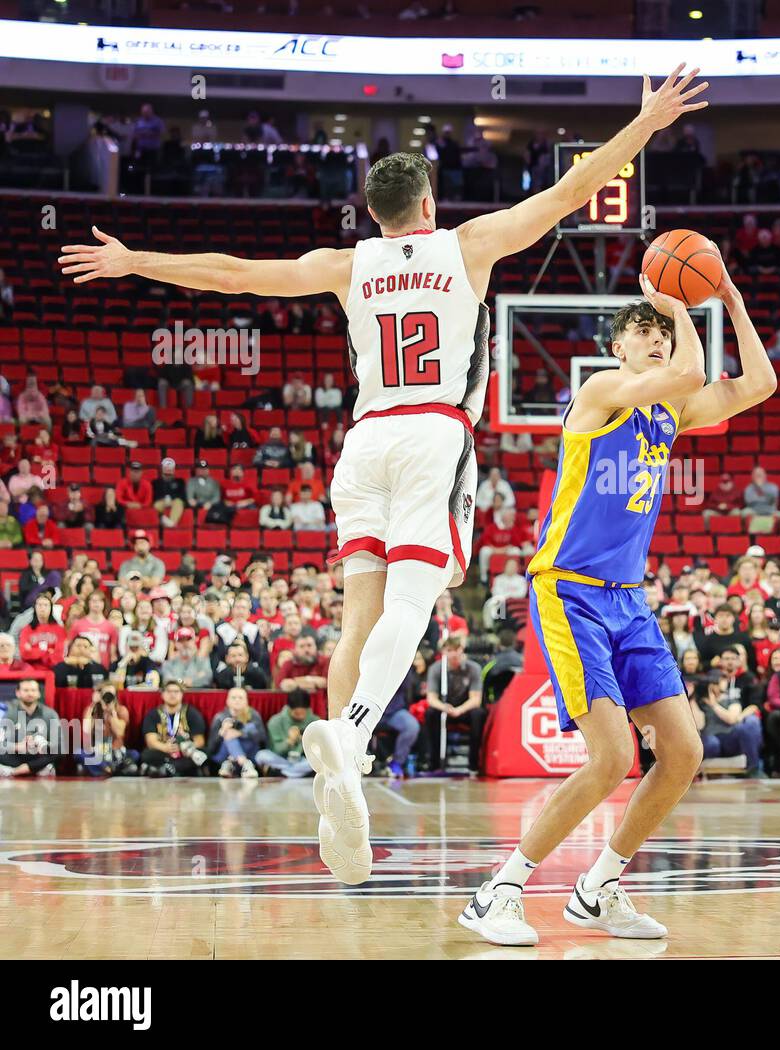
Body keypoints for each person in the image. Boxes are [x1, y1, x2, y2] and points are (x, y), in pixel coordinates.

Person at [62, 67, 710, 894]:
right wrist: (647, 121)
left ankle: (346, 776)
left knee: (358, 617)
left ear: (375, 214)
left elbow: (236, 274)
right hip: (433, 431)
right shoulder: (469, 245)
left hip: (362, 439)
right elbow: (574, 187)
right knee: (415, 598)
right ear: (431, 204)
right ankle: (358, 731)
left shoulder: (349, 262)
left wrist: (132, 259)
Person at [463, 203, 780, 944]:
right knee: (612, 757)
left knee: (685, 751)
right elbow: (694, 369)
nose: (651, 338)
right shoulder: (600, 393)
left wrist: (728, 299)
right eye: (640, 330)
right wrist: (675, 299)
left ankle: (599, 886)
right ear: (616, 346)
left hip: (630, 600)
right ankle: (498, 891)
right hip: (566, 589)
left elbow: (758, 382)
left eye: (659, 331)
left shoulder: (673, 411)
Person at [421, 635, 485, 773]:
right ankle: (435, 762)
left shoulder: (474, 668)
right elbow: (431, 698)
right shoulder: (436, 669)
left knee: (478, 714)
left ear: (462, 650)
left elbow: (476, 699)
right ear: (444, 651)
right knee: (431, 713)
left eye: (457, 649)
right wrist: (444, 707)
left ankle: (473, 764)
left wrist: (460, 710)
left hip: (465, 708)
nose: (454, 654)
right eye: (450, 650)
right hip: (444, 708)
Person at [139, 680, 208, 777]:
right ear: (162, 694)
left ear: (182, 694)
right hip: (163, 751)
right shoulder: (153, 714)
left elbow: (200, 741)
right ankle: (171, 768)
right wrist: (165, 748)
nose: (172, 695)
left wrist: (184, 747)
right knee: (146, 754)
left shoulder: (192, 713)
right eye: (169, 691)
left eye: (176, 692)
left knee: (203, 754)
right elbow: (151, 741)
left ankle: (166, 769)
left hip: (184, 753)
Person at [256, 689, 321, 777]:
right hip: (281, 759)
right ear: (289, 709)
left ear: (308, 709)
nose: (300, 716)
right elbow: (276, 750)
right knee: (261, 755)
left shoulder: (315, 722)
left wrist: (304, 740)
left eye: (303, 713)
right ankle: (295, 772)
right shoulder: (275, 721)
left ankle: (285, 773)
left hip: (303, 760)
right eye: (297, 713)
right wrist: (289, 741)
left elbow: (318, 749)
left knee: (319, 760)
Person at [208, 686, 269, 779]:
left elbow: (262, 738)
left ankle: (236, 761)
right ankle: (245, 764)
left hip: (250, 753)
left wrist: (241, 733)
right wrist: (222, 732)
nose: (237, 700)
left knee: (250, 727)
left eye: (240, 698)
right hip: (224, 756)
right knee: (228, 734)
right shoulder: (220, 717)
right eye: (233, 697)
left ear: (246, 701)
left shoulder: (254, 715)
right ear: (227, 701)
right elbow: (211, 747)